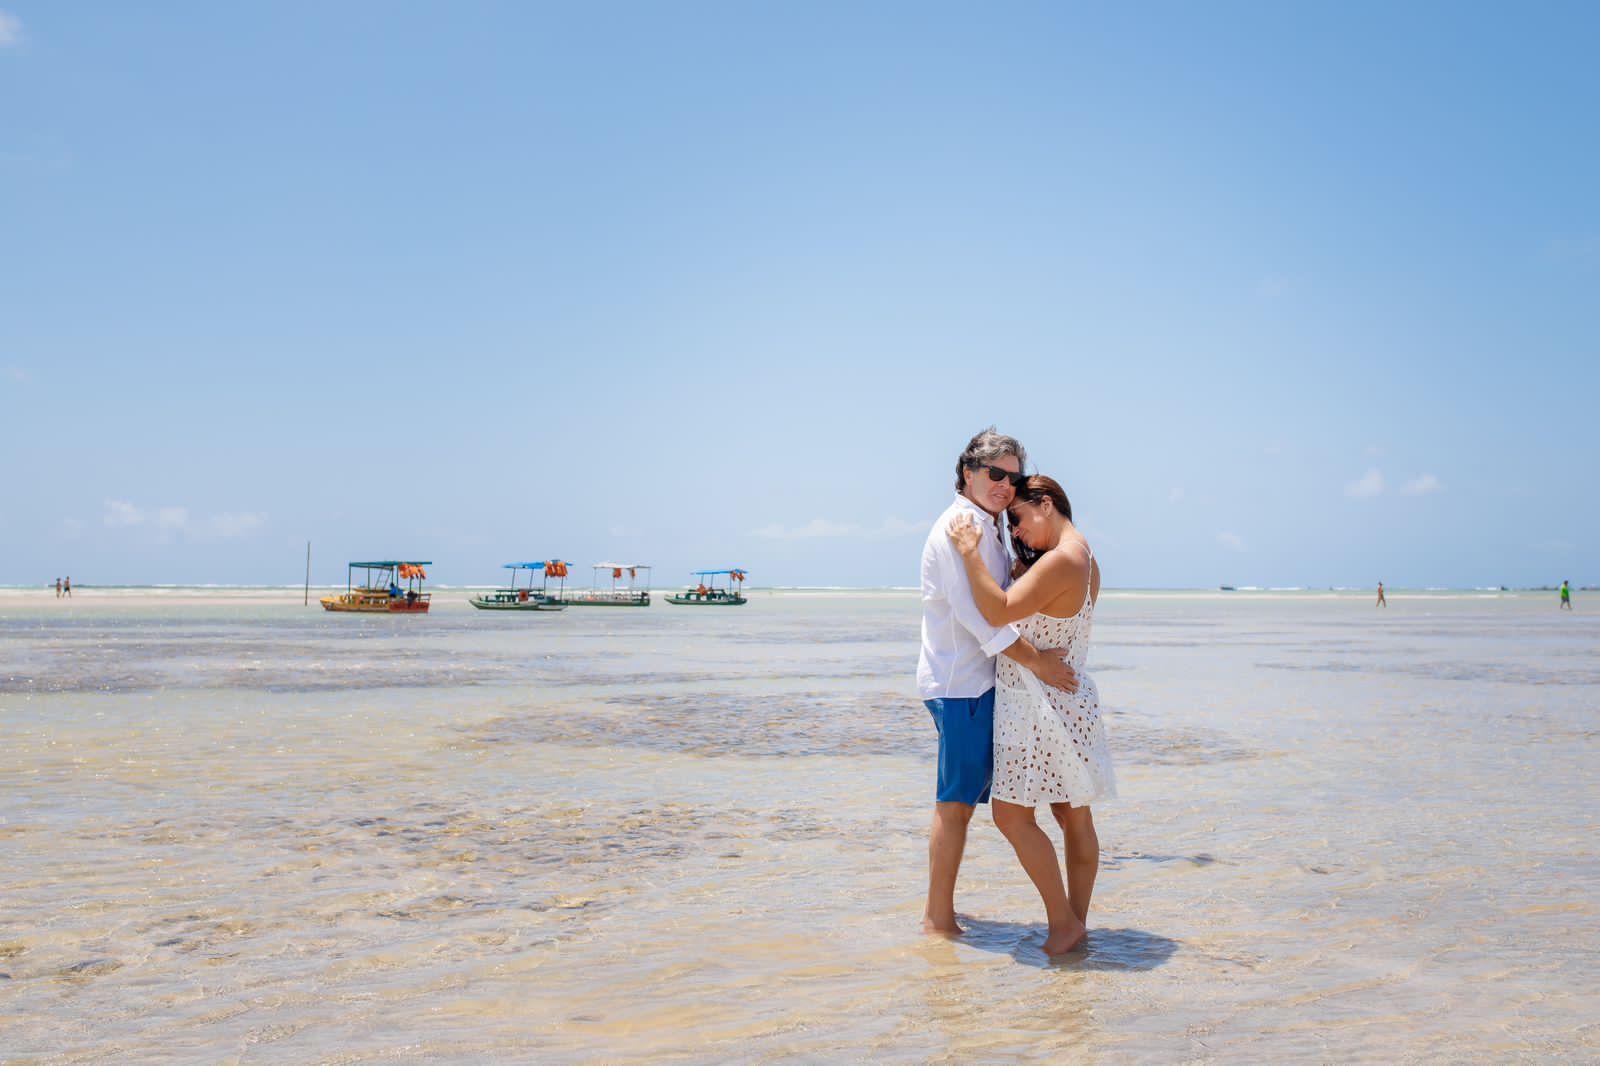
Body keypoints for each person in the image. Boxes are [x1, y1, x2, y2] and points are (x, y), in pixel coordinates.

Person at [918, 428, 1078, 941]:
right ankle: (937, 920)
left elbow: (1000, 596)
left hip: (985, 682)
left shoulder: (990, 527)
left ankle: (947, 916)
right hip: (960, 684)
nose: (1006, 485)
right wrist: (1038, 663)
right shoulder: (957, 528)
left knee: (969, 802)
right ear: (968, 473)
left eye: (1013, 477)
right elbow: (977, 619)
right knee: (955, 803)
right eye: (995, 473)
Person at [948, 474, 1115, 955]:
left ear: (1045, 504)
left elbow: (998, 611)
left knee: (1011, 815)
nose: (1016, 531)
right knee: (1072, 816)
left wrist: (969, 554)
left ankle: (1064, 923)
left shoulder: (1064, 560)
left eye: (1018, 518)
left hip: (1039, 706)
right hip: (1067, 700)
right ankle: (1073, 926)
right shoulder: (1085, 558)